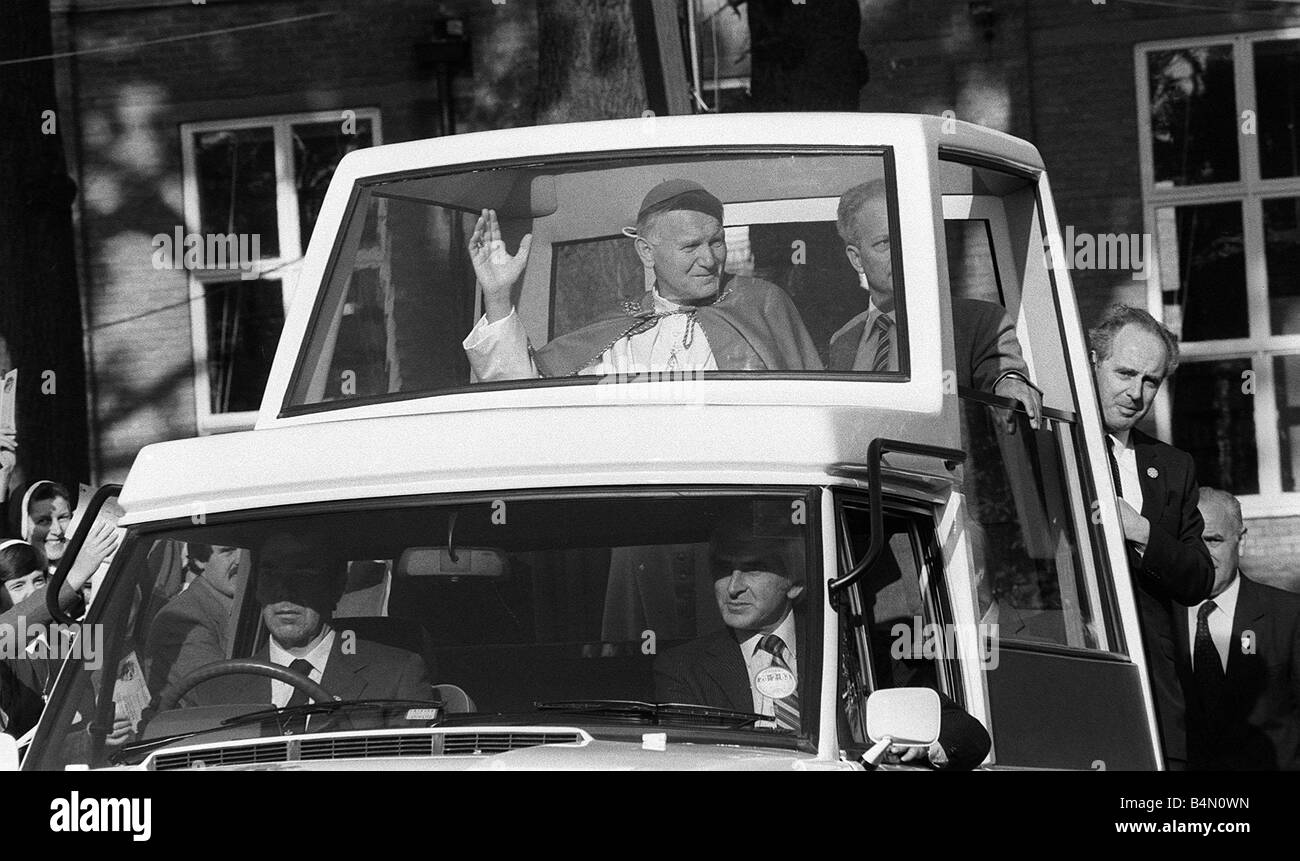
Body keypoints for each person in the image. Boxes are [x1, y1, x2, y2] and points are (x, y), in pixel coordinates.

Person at [653, 506, 990, 770]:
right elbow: (689, 760)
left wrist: (920, 746)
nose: (733, 585)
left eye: (753, 568)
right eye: (724, 570)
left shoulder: (855, 649)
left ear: (796, 582)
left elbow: (968, 733)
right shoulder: (683, 668)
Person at [462, 179, 824, 380]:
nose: (710, 259)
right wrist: (497, 295)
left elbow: (814, 402)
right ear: (646, 253)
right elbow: (523, 394)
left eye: (716, 242)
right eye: (690, 247)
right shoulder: (616, 331)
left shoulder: (761, 303)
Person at [1088, 304, 1214, 769]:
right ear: (1093, 361)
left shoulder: (1173, 466)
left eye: (1151, 381)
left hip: (1152, 691)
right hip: (1068, 668)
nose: (1136, 393)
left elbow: (1200, 575)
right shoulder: (1046, 441)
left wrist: (1143, 533)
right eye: (1125, 373)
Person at [831, 180, 1043, 427]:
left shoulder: (981, 321)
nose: (901, 253)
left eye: (907, 238)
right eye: (884, 243)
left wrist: (1009, 384)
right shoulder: (842, 340)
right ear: (856, 259)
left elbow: (1003, 371)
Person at [184, 532, 432, 713]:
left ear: (337, 586)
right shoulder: (215, 691)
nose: (284, 591)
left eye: (303, 573)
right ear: (255, 586)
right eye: (271, 574)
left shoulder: (396, 675)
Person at [1178, 488, 1300, 770]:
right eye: (1188, 542)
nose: (1201, 555)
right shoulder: (1157, 618)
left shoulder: (1289, 615)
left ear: (1241, 541)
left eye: (1213, 540)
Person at [144, 544, 244, 708]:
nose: (241, 559)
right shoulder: (183, 618)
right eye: (227, 551)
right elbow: (219, 694)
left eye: (247, 550)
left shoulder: (250, 607)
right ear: (199, 560)